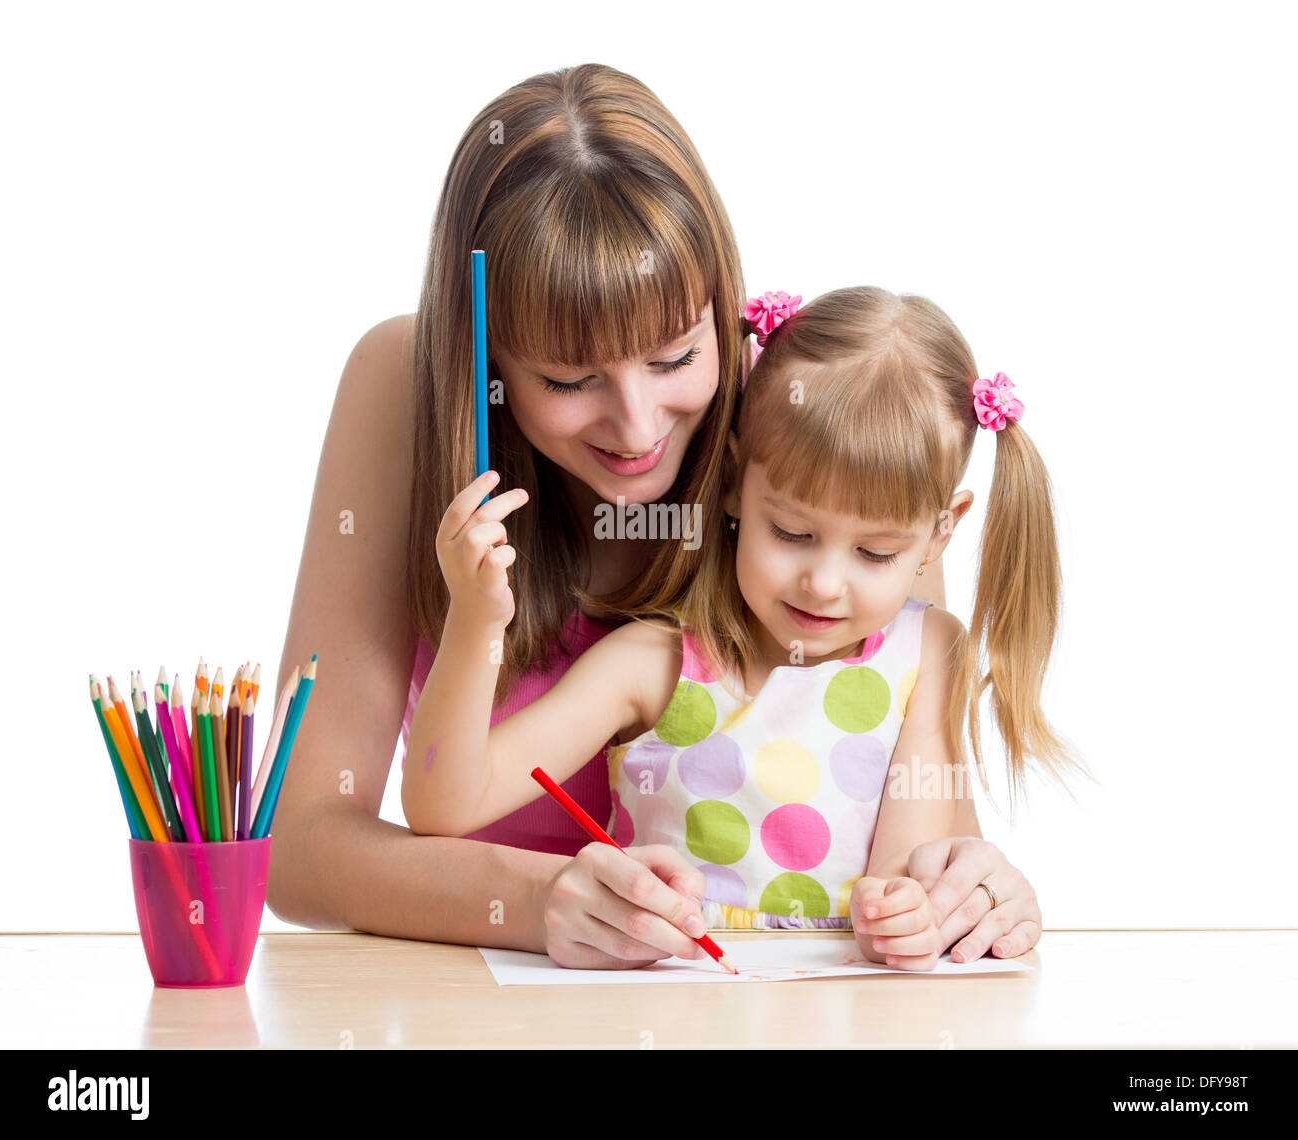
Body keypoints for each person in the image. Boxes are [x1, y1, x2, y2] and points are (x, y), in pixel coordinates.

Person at [266, 62, 1046, 970]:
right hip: (496, 1000)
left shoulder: (810, 421)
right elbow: (299, 848)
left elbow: (913, 815)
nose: (638, 429)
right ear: (483, 356)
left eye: (676, 357)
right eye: (569, 378)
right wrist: (534, 900)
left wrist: (968, 888)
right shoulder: (406, 388)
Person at [404, 286, 1089, 970]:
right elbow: (445, 803)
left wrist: (913, 915)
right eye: (791, 532)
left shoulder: (928, 653)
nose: (824, 582)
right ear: (732, 478)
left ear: (941, 533)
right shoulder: (652, 662)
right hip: (663, 1004)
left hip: (848, 1015)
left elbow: (904, 878)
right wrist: (475, 620)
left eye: (875, 552)